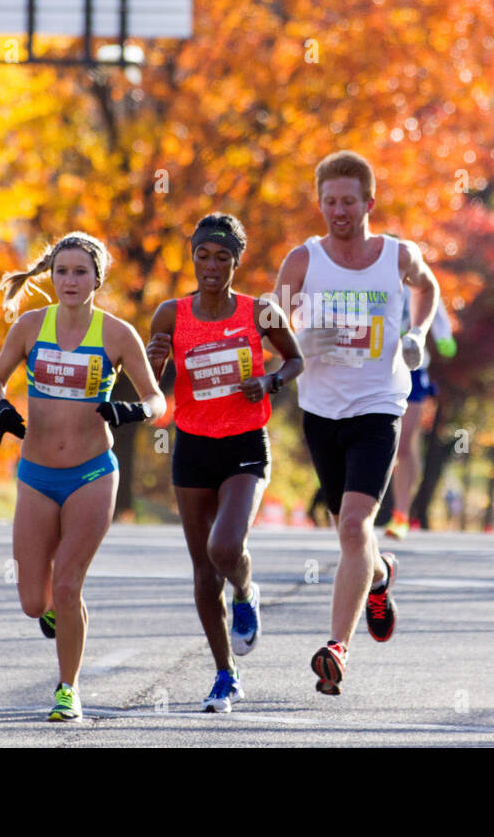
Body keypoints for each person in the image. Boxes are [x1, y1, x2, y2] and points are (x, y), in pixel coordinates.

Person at [273, 149, 438, 695]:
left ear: (369, 201)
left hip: (379, 406)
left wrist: (415, 334)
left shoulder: (396, 255)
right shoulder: (302, 261)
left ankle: (336, 647)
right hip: (321, 410)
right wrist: (298, 340)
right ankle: (382, 574)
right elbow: (271, 324)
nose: (338, 211)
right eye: (328, 202)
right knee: (349, 532)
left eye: (348, 201)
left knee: (352, 524)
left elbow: (429, 287)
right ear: (319, 203)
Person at [0, 232, 166, 721]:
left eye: (80, 272)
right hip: (36, 475)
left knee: (68, 586)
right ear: (51, 275)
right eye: (62, 271)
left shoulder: (117, 334)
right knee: (32, 600)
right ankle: (53, 613)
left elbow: (157, 399)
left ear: (97, 279)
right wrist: (1, 407)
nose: (69, 280)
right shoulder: (29, 326)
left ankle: (68, 689)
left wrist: (133, 410)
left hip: (92, 474)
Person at [145, 214, 304, 713]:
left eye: (222, 257)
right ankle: (225, 674)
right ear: (191, 257)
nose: (211, 266)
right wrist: (154, 360)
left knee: (225, 547)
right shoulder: (170, 315)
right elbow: (153, 387)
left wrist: (271, 382)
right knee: (201, 568)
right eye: (203, 256)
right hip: (192, 445)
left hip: (244, 444)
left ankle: (246, 589)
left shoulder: (263, 313)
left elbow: (295, 361)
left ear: (236, 261)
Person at [382, 295, 455, 539]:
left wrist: (444, 338)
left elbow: (437, 310)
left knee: (403, 445)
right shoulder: (371, 269)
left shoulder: (419, 279)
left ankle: (400, 513)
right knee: (391, 444)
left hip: (413, 370)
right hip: (377, 368)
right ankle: (369, 505)